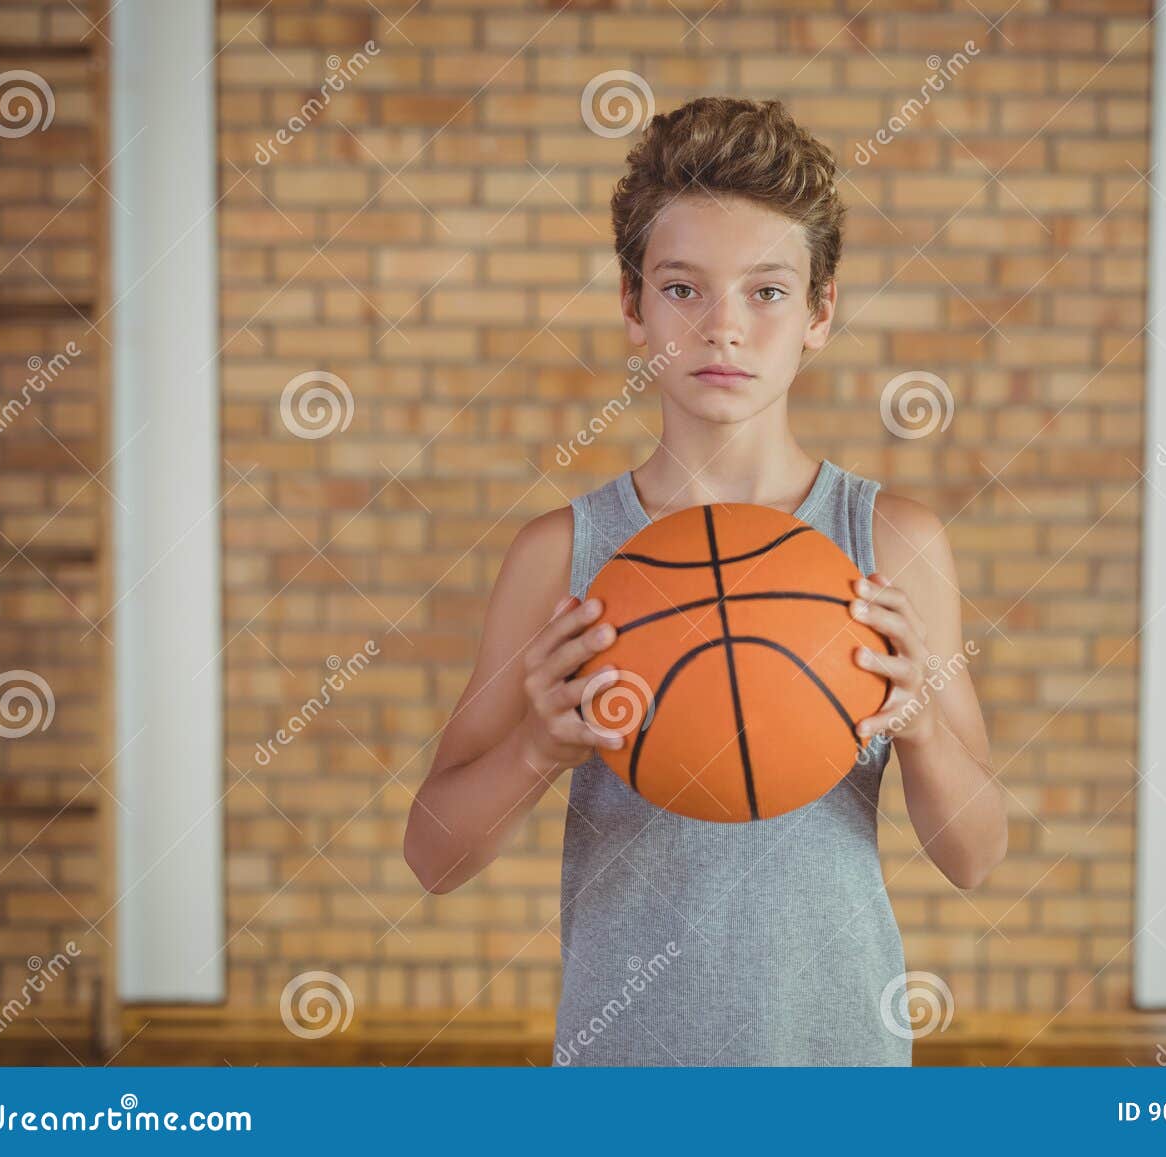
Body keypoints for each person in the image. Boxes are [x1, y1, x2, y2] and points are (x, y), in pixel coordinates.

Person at [403, 96, 1005, 1065]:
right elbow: (432, 856)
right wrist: (536, 746)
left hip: (839, 1058)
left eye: (766, 292)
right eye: (683, 288)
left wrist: (923, 723)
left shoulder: (892, 543)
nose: (723, 327)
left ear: (820, 313)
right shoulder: (564, 554)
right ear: (632, 306)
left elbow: (977, 855)